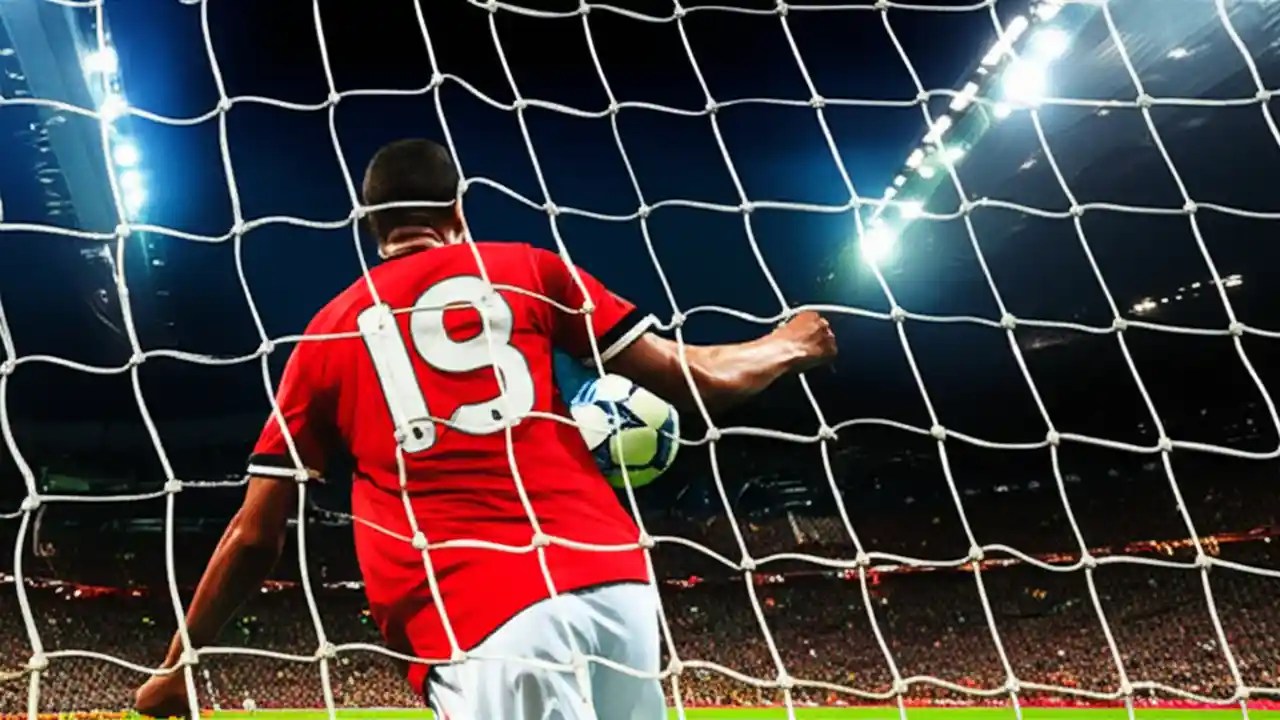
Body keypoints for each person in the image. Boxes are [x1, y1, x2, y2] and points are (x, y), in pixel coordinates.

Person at [134, 139, 838, 719]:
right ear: (458, 208)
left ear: (370, 225)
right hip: (616, 587)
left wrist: (176, 667)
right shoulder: (530, 269)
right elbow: (695, 377)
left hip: (476, 611)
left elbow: (255, 535)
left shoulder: (327, 334)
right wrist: (787, 343)